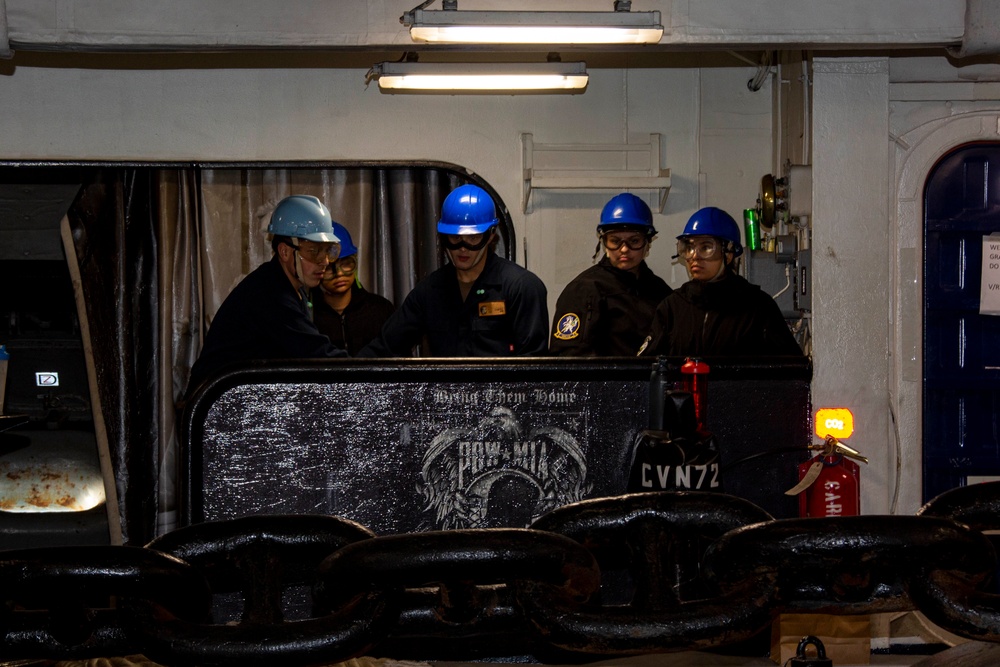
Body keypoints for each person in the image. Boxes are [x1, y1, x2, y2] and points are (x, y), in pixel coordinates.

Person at [357, 184, 549, 357]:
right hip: (446, 395)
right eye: (455, 238)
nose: (463, 247)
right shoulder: (430, 292)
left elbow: (533, 369)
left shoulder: (521, 288)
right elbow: (385, 346)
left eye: (473, 238)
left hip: (501, 395)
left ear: (491, 236)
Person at [187, 194, 348, 395]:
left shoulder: (282, 286)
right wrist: (364, 371)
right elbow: (316, 354)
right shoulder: (271, 294)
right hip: (215, 405)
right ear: (285, 252)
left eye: (327, 251)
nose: (324, 261)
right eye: (314, 251)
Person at [638, 206, 803, 357]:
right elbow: (645, 371)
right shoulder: (672, 308)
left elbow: (791, 372)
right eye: (689, 248)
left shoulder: (758, 308)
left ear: (728, 253)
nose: (695, 256)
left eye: (706, 247)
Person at [549, 193, 671, 356]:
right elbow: (568, 358)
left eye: (634, 241)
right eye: (615, 241)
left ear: (647, 243)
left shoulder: (661, 292)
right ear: (604, 242)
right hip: (604, 381)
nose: (624, 249)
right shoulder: (584, 290)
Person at [312, 222, 395, 355]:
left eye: (346, 264)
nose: (339, 274)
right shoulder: (307, 316)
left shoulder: (381, 310)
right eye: (329, 268)